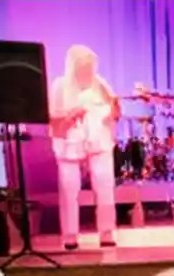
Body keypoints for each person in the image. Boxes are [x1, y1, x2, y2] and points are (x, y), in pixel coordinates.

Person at [48, 44, 118, 251]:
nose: (88, 70)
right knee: (69, 188)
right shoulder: (60, 85)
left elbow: (113, 113)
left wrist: (114, 107)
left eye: (90, 66)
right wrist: (73, 114)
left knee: (105, 185)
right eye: (84, 66)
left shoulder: (100, 83)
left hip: (98, 139)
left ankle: (107, 232)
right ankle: (70, 235)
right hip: (69, 140)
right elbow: (52, 118)